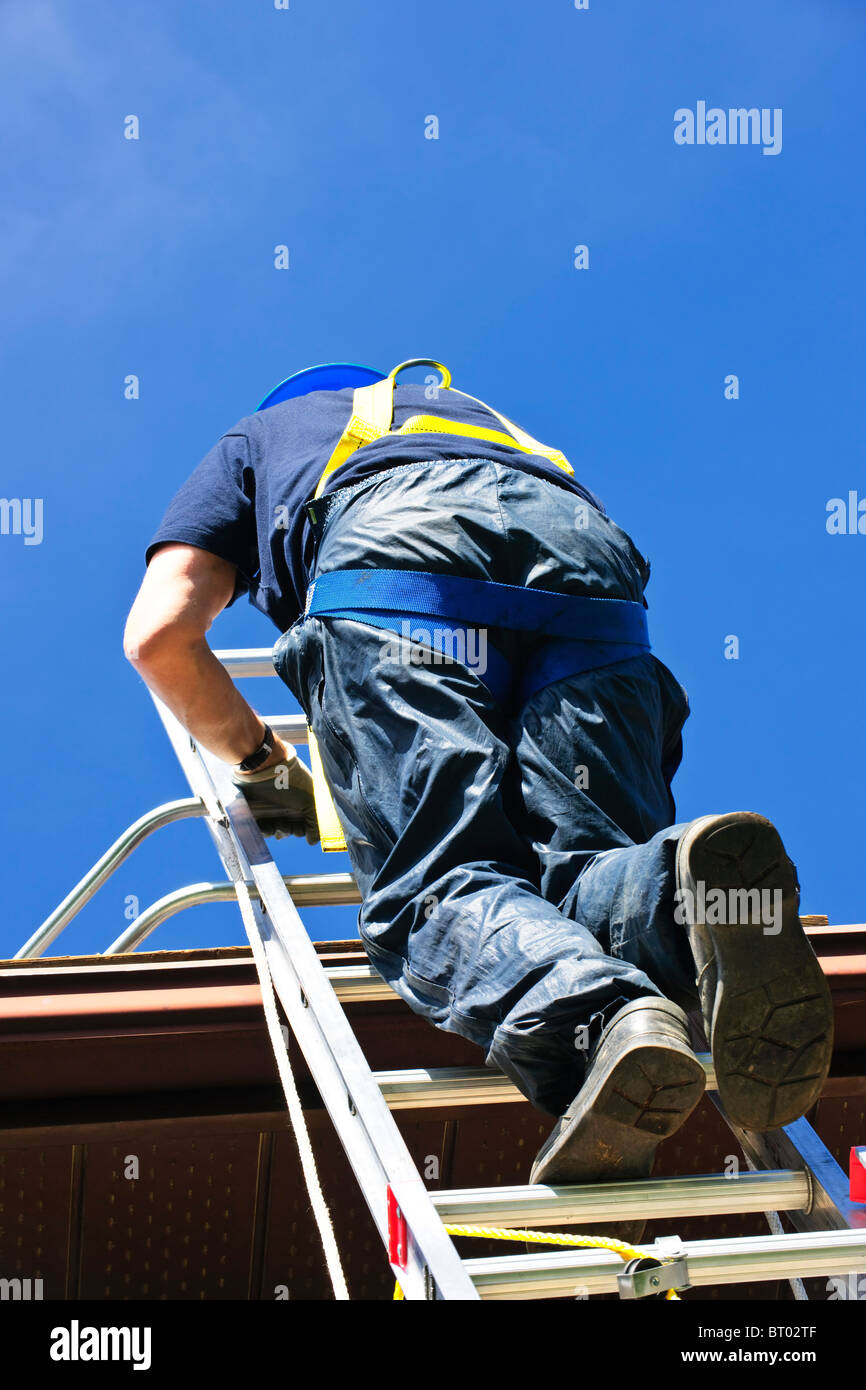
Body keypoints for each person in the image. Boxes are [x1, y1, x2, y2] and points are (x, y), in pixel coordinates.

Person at [124, 359, 833, 1202]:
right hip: (588, 579)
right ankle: (681, 895)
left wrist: (263, 764)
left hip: (400, 572)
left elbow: (160, 635)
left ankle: (599, 1022)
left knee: (435, 889)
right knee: (586, 868)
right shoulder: (489, 425)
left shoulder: (264, 438)